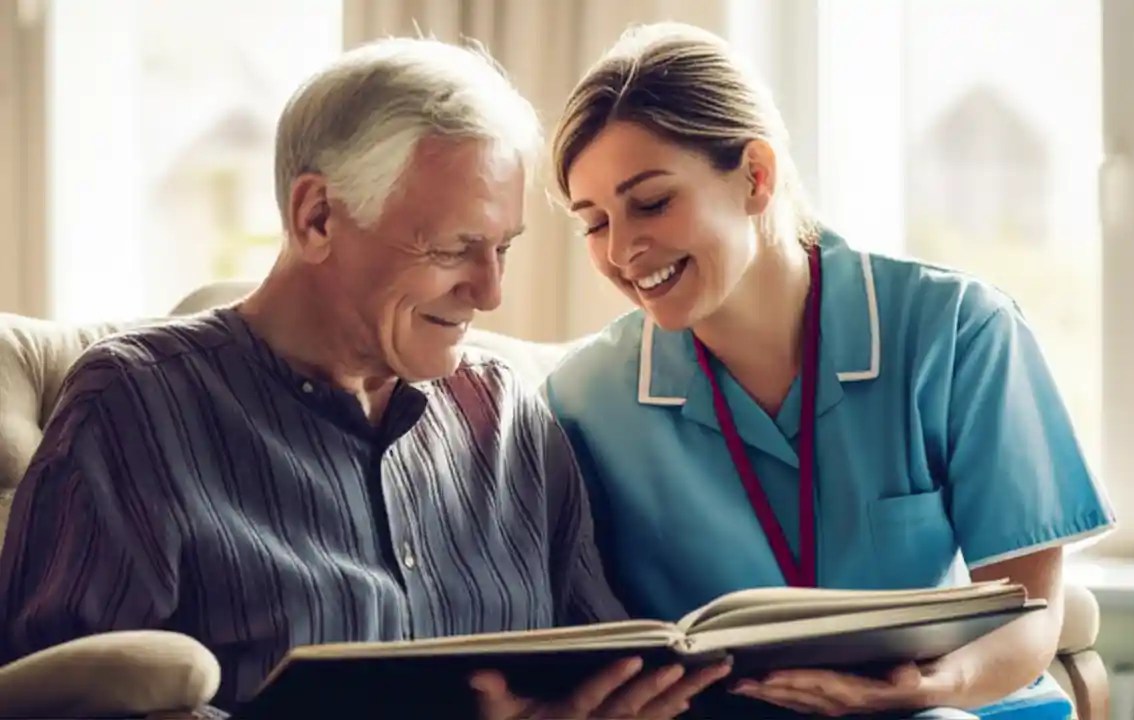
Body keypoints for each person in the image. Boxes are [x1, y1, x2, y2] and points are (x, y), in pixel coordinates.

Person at [0, 37, 728, 717]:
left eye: (502, 247)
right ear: (317, 217)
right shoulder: (133, 409)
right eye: (454, 247)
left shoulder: (508, 418)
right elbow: (60, 700)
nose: (490, 290)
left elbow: (602, 670)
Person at [543, 22, 1117, 720]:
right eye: (595, 222)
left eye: (653, 201)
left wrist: (931, 688)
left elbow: (1029, 614)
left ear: (756, 176)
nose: (623, 248)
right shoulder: (581, 399)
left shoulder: (961, 331)